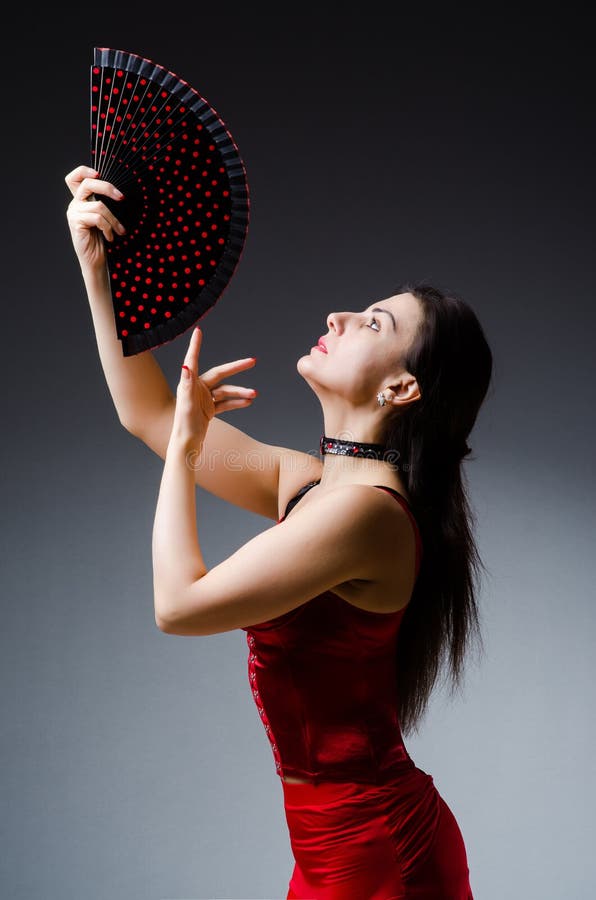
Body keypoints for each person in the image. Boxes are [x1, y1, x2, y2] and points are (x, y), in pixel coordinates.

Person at [66, 164, 493, 899]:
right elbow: (145, 412)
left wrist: (187, 448)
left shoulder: (364, 517)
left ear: (401, 389)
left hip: (377, 854)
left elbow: (179, 604)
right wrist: (100, 268)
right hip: (334, 842)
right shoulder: (317, 486)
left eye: (372, 323)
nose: (337, 317)